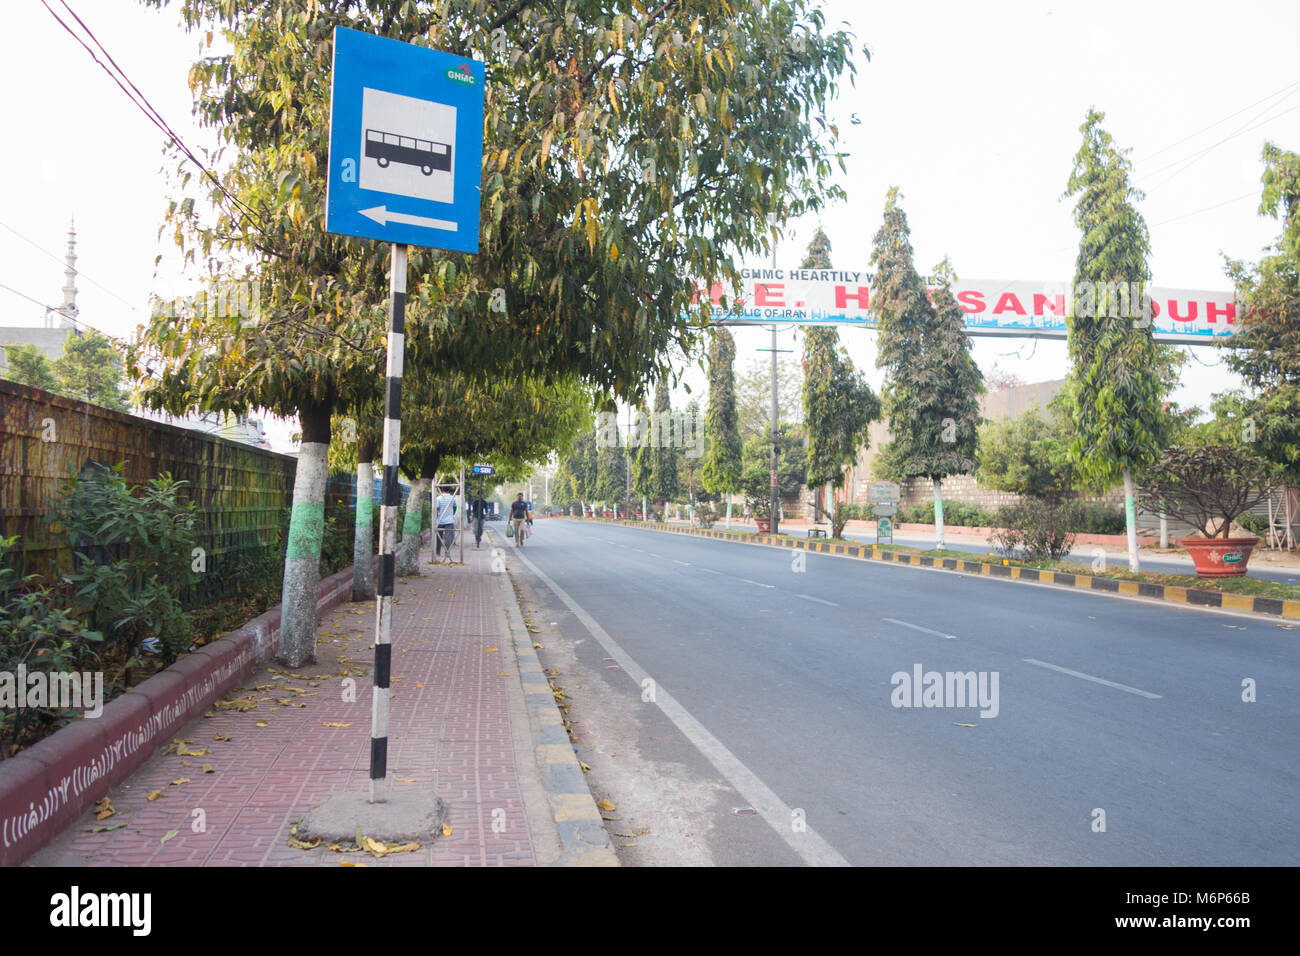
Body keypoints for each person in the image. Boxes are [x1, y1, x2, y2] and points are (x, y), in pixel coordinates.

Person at [434, 484, 457, 559]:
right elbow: (455, 507)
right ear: (449, 490)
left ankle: (437, 551)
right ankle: (447, 552)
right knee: (448, 537)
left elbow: (437, 508)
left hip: (440, 520)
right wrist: (452, 513)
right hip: (450, 521)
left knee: (438, 536)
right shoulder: (452, 498)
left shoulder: (439, 498)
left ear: (441, 489)